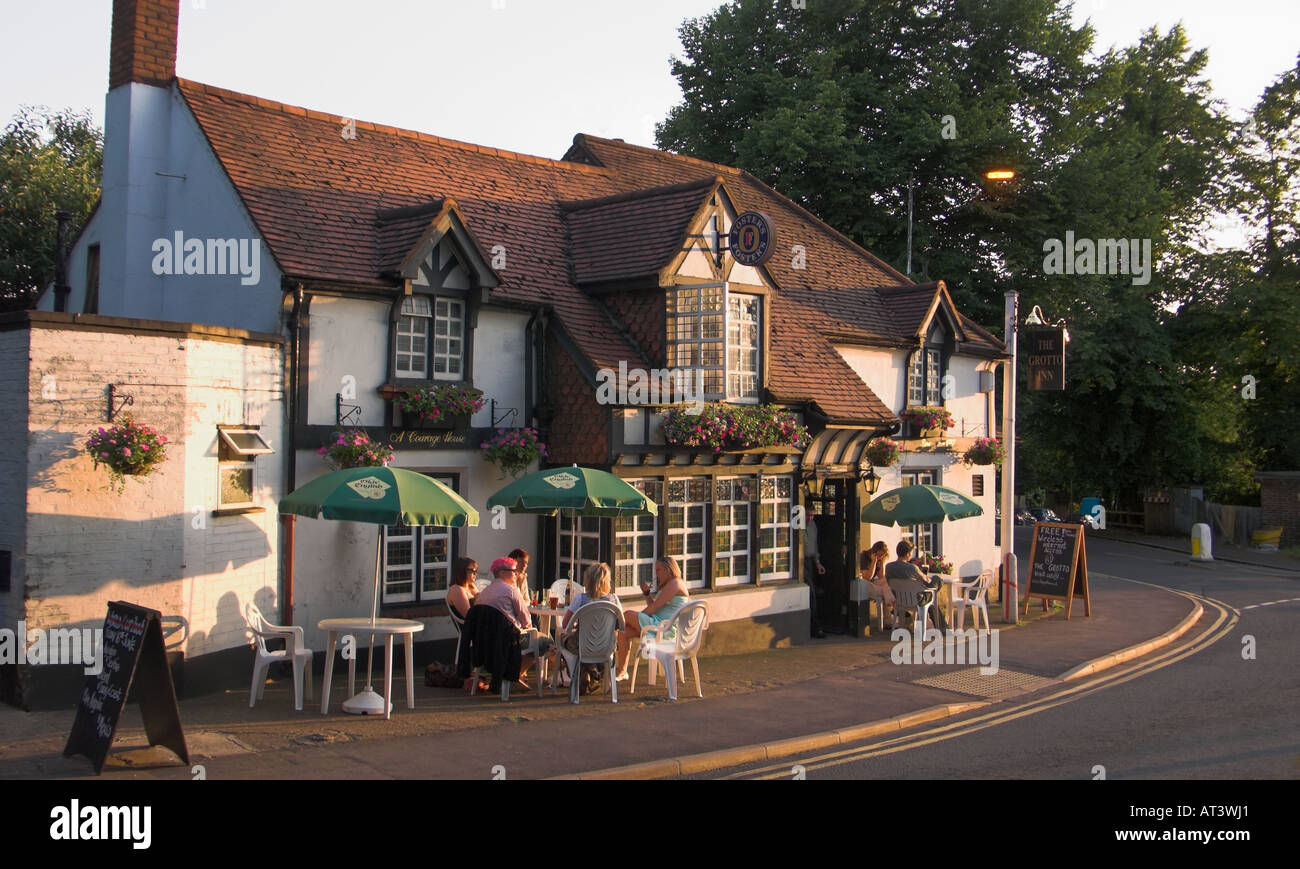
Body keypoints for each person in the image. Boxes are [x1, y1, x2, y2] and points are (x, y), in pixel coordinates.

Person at [473, 556, 550, 690]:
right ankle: (512, 674)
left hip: (485, 640)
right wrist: (531, 630)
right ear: (502, 572)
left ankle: (507, 674)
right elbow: (526, 621)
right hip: (509, 641)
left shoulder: (484, 593)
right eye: (513, 570)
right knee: (545, 642)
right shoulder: (511, 591)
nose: (516, 573)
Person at [615, 556, 688, 680]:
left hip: (666, 629)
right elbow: (655, 607)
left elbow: (654, 607)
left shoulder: (676, 583)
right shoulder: (668, 585)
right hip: (658, 624)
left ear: (668, 569)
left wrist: (637, 618)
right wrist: (647, 595)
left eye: (658, 570)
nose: (657, 574)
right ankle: (622, 672)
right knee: (624, 632)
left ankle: (609, 632)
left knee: (627, 615)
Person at [558, 562, 620, 691]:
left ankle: (586, 672)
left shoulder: (580, 599)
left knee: (563, 639)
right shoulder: (614, 599)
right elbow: (620, 624)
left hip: (582, 644)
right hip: (606, 645)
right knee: (592, 646)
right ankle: (591, 673)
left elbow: (565, 624)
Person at [884, 540, 949, 634]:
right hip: (917, 599)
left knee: (931, 600)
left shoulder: (888, 567)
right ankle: (942, 628)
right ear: (907, 554)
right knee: (936, 580)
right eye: (911, 553)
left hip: (900, 599)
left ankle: (932, 612)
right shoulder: (912, 568)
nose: (911, 555)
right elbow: (927, 581)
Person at [859, 542, 895, 625]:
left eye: (883, 555)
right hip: (864, 584)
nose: (880, 557)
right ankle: (891, 606)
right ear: (873, 552)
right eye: (879, 555)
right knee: (886, 591)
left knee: (887, 581)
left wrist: (881, 562)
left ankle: (890, 604)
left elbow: (881, 576)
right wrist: (873, 562)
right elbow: (867, 577)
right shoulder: (863, 557)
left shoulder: (880, 559)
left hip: (873, 583)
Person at [803, 516, 827, 638]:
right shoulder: (798, 524)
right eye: (808, 515)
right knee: (811, 593)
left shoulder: (813, 526)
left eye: (812, 515)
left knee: (815, 593)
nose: (810, 518)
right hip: (800, 561)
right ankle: (815, 627)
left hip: (810, 562)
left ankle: (816, 625)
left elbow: (814, 545)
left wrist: (817, 562)